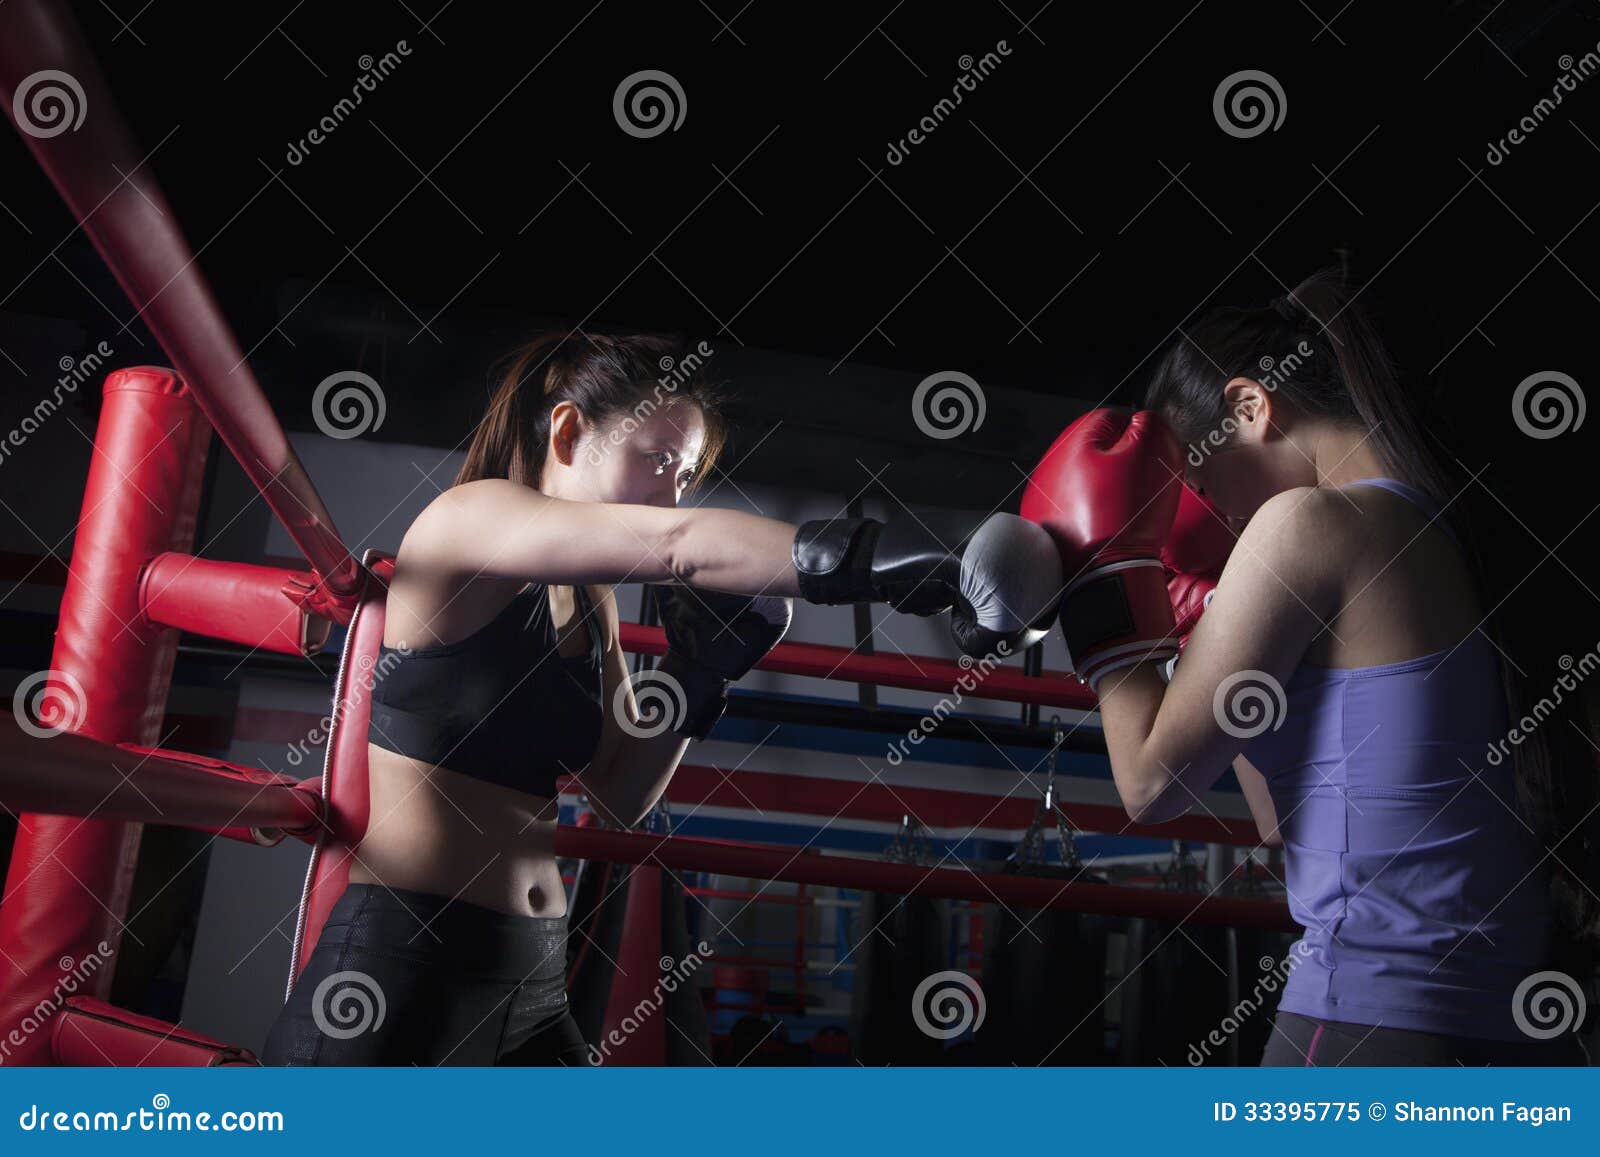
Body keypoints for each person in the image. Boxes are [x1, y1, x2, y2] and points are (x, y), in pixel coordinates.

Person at [263, 331, 1062, 1065]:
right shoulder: (465, 522)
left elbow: (619, 791)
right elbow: (680, 546)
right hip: (403, 965)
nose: (669, 497)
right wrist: (911, 567)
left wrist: (698, 671)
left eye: (684, 477)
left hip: (534, 973)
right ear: (568, 432)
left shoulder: (592, 601)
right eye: (656, 461)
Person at [1021, 269, 1595, 1066]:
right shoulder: (1456, 532)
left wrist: (1107, 594)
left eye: (1197, 477)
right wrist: (1210, 624)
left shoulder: (1307, 523)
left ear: (1251, 407)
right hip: (1517, 1033)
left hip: (1371, 1015)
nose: (1204, 509)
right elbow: (1279, 825)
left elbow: (1150, 784)